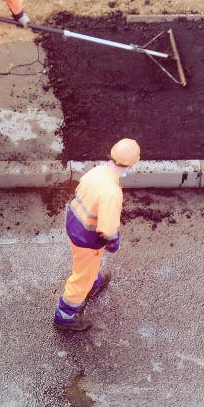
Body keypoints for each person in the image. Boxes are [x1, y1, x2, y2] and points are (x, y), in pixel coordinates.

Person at [53, 138, 141, 331]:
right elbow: (108, 229)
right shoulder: (112, 193)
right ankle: (65, 315)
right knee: (81, 276)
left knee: (88, 265)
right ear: (132, 164)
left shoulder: (96, 172)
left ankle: (93, 281)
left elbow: (79, 191)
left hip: (75, 225)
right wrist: (114, 243)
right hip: (88, 239)